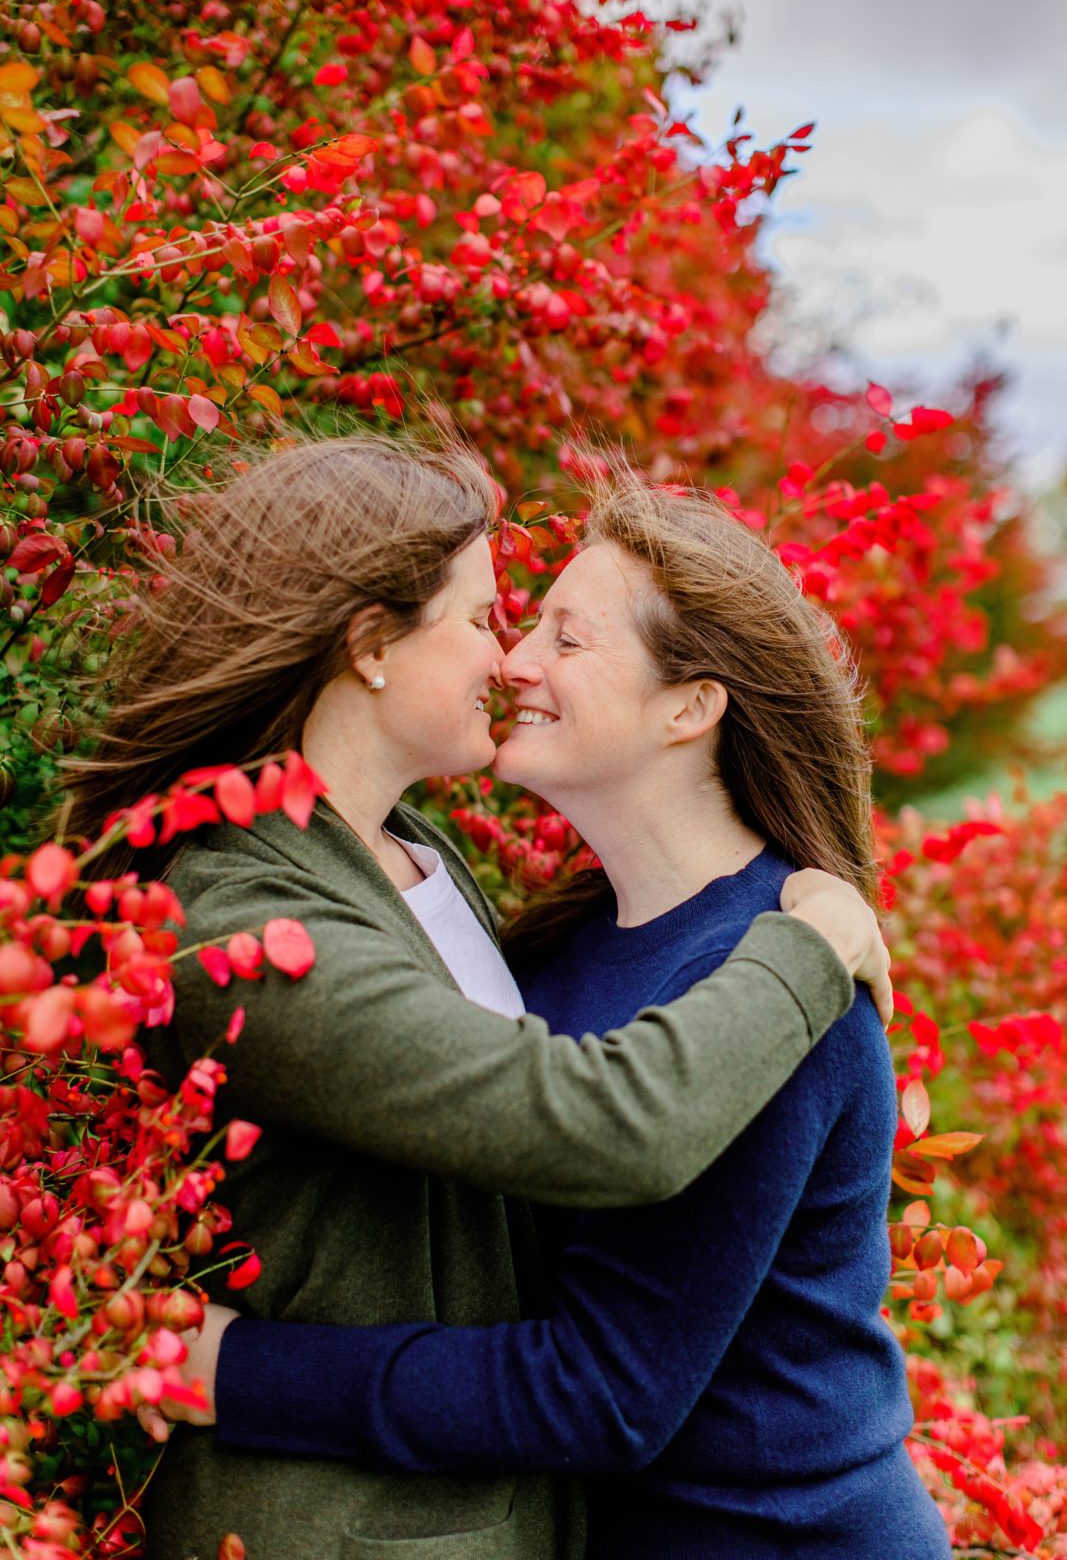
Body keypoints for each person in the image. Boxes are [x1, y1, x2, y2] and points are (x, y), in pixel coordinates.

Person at [64, 430, 888, 1560]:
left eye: (554, 632)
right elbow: (585, 1123)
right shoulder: (245, 924)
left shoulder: (426, 858)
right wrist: (819, 946)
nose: (504, 660)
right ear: (367, 646)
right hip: (348, 1525)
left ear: (690, 707)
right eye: (483, 617)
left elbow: (608, 1361)